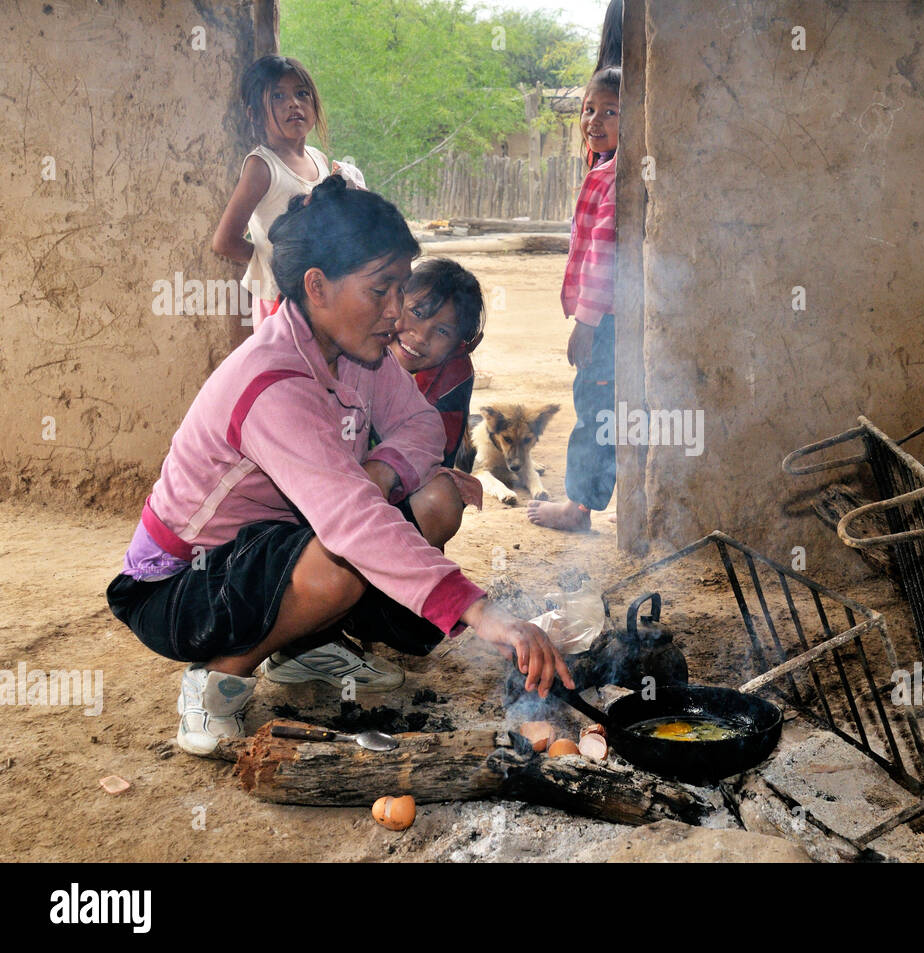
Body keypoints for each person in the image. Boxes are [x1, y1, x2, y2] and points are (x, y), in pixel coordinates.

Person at [108, 176, 573, 757]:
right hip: (178, 587)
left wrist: (377, 474)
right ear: (317, 287)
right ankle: (215, 681)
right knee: (342, 556)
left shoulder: (357, 353)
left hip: (264, 552)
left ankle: (301, 650)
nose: (398, 313)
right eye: (382, 290)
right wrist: (482, 613)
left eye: (402, 289)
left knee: (434, 499)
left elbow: (422, 427)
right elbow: (352, 523)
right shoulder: (274, 379)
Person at [527, 68, 620, 532]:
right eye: (589, 109)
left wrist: (586, 323)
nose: (594, 120)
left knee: (595, 410)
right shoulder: (605, 169)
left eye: (610, 111)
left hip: (607, 323)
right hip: (608, 320)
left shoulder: (617, 177)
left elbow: (605, 257)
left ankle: (578, 507)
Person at [212, 55, 359, 331]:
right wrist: (271, 260)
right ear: (254, 114)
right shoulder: (262, 167)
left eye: (302, 93)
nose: (294, 103)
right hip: (280, 300)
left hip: (317, 296)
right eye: (278, 96)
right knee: (287, 370)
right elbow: (224, 241)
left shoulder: (318, 159)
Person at [388, 258, 485, 468]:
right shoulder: (360, 340)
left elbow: (420, 459)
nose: (422, 337)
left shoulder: (450, 379)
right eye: (417, 313)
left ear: (458, 345)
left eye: (442, 331)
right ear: (394, 299)